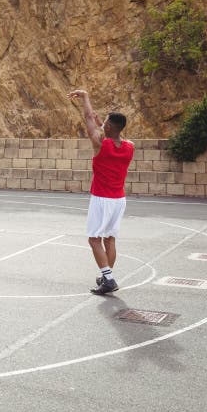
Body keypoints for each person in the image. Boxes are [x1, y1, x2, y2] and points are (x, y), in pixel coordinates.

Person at [68, 89, 134, 295]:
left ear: (111, 126)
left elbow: (88, 117)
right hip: (119, 199)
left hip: (102, 199)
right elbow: (114, 136)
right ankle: (107, 275)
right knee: (110, 239)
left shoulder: (100, 144)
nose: (101, 123)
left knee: (94, 239)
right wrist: (101, 124)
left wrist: (86, 97)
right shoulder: (130, 146)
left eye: (105, 122)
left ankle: (109, 279)